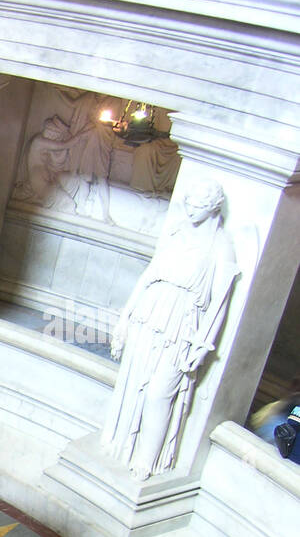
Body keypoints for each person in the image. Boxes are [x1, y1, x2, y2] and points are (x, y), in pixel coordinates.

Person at [100, 179, 239, 480]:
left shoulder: (220, 244)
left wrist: (203, 345)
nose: (191, 210)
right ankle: (124, 445)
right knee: (133, 385)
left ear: (213, 207)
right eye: (188, 203)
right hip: (148, 315)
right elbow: (147, 278)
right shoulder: (177, 234)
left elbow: (220, 301)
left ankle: (146, 460)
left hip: (181, 327)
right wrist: (124, 319)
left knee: (159, 393)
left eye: (198, 206)